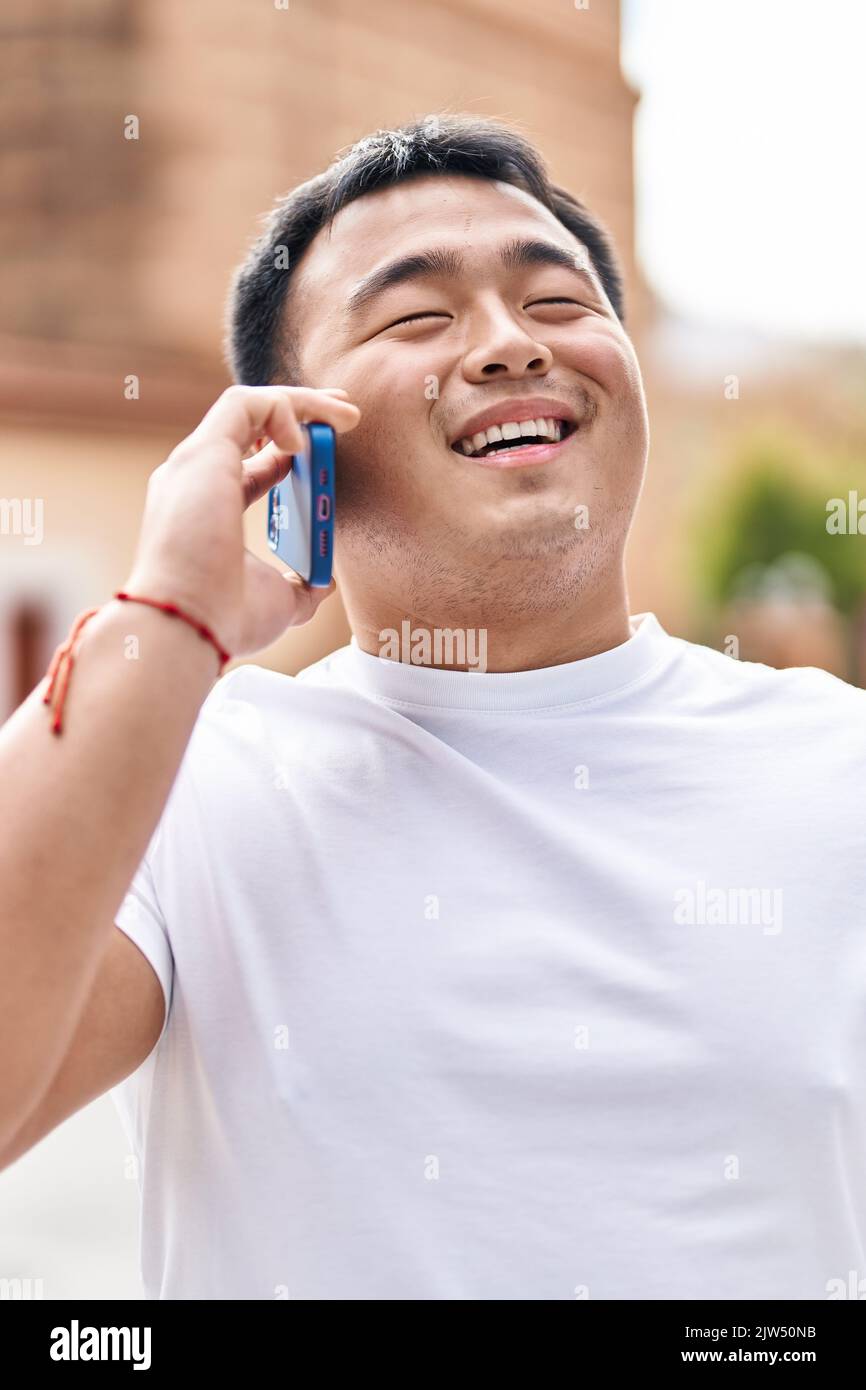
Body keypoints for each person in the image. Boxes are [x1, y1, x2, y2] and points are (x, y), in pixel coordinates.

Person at [1, 114, 864, 1302]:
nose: (510, 346)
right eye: (417, 317)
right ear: (290, 443)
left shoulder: (836, 762)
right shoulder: (196, 784)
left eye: (557, 303)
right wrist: (165, 619)